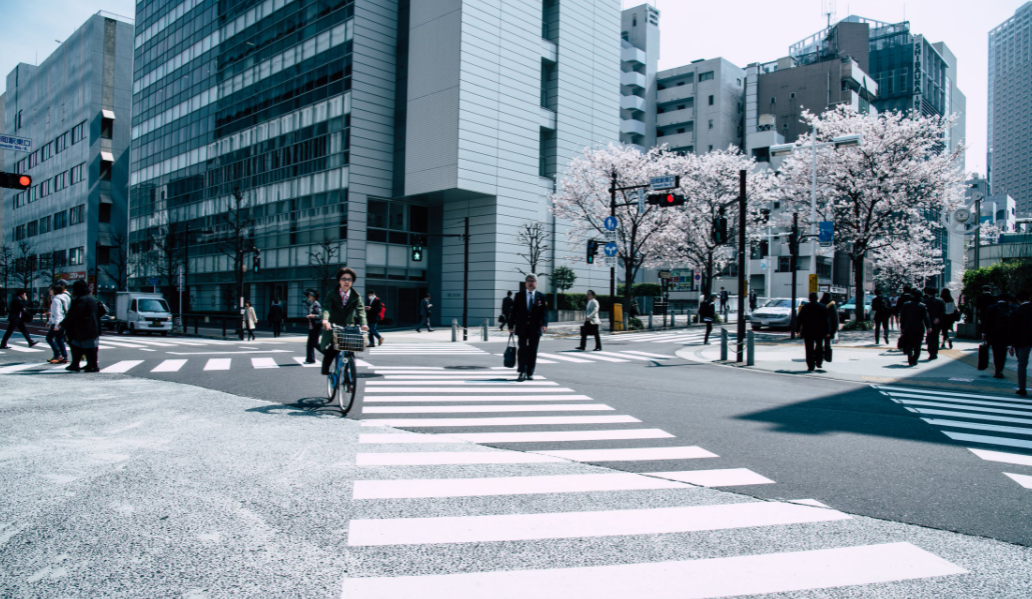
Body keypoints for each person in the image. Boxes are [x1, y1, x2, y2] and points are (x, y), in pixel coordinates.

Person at [319, 267, 369, 375]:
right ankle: (325, 367)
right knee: (334, 348)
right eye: (344, 279)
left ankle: (348, 376)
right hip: (333, 326)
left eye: (349, 279)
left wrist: (363, 323)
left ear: (352, 282)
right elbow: (326, 308)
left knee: (350, 351)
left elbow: (360, 310)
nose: (346, 281)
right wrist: (325, 320)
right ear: (339, 280)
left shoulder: (356, 296)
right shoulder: (331, 294)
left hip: (348, 327)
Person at [508, 274, 549, 382]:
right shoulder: (519, 295)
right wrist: (510, 326)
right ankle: (522, 371)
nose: (530, 283)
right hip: (522, 327)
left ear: (536, 283)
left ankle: (530, 372)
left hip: (535, 328)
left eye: (533, 281)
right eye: (528, 281)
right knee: (522, 350)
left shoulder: (541, 296)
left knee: (532, 351)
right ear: (525, 283)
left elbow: (545, 312)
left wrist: (544, 324)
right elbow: (514, 312)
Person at [61, 280, 104, 372]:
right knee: (82, 346)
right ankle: (88, 365)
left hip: (84, 328)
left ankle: (91, 366)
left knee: (85, 347)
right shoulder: (91, 298)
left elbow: (74, 313)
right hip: (92, 327)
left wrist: (63, 324)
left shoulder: (81, 299)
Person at [984, 293, 1017, 379]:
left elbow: (987, 323)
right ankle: (1000, 369)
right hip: (1005, 334)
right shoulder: (1011, 308)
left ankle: (997, 370)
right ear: (1007, 300)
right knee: (1003, 353)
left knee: (995, 353)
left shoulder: (991, 308)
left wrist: (985, 334)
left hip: (994, 335)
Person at [796, 292, 829, 372]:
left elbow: (799, 319)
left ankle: (810, 365)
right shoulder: (823, 307)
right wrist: (827, 331)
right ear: (817, 298)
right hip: (820, 330)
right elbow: (826, 320)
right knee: (819, 346)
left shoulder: (805, 307)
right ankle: (819, 362)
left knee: (809, 348)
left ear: (809, 298)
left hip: (808, 330)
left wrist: (797, 330)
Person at [1009, 289, 1032, 396]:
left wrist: (1012, 345)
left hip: (1022, 341)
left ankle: (1022, 388)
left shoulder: (1016, 312)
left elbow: (1013, 330)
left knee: (1022, 364)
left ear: (1018, 300)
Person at [899, 289, 931, 366]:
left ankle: (909, 356)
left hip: (908, 327)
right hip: (919, 328)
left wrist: (902, 326)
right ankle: (915, 358)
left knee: (909, 343)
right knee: (918, 345)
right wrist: (928, 327)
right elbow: (926, 318)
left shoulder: (906, 305)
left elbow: (902, 317)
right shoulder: (922, 306)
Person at [45, 282, 71, 364]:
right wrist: (49, 321)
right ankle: (65, 357)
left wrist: (56, 325)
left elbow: (57, 314)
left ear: (54, 290)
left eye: (51, 289)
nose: (50, 291)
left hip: (58, 323)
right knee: (60, 339)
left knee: (49, 338)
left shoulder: (56, 300)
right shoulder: (61, 298)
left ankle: (58, 355)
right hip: (63, 322)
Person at [921, 286, 946, 360]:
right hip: (937, 321)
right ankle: (935, 352)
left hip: (928, 321)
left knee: (929, 336)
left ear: (927, 293)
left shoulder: (924, 301)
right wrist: (939, 318)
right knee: (936, 336)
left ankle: (930, 352)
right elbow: (943, 311)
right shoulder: (940, 301)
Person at [304, 290, 322, 364]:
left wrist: (312, 315)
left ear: (314, 297)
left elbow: (319, 315)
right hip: (312, 327)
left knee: (315, 344)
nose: (309, 297)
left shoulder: (316, 304)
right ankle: (310, 359)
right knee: (310, 344)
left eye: (310, 295)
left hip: (316, 327)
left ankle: (328, 353)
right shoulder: (311, 304)